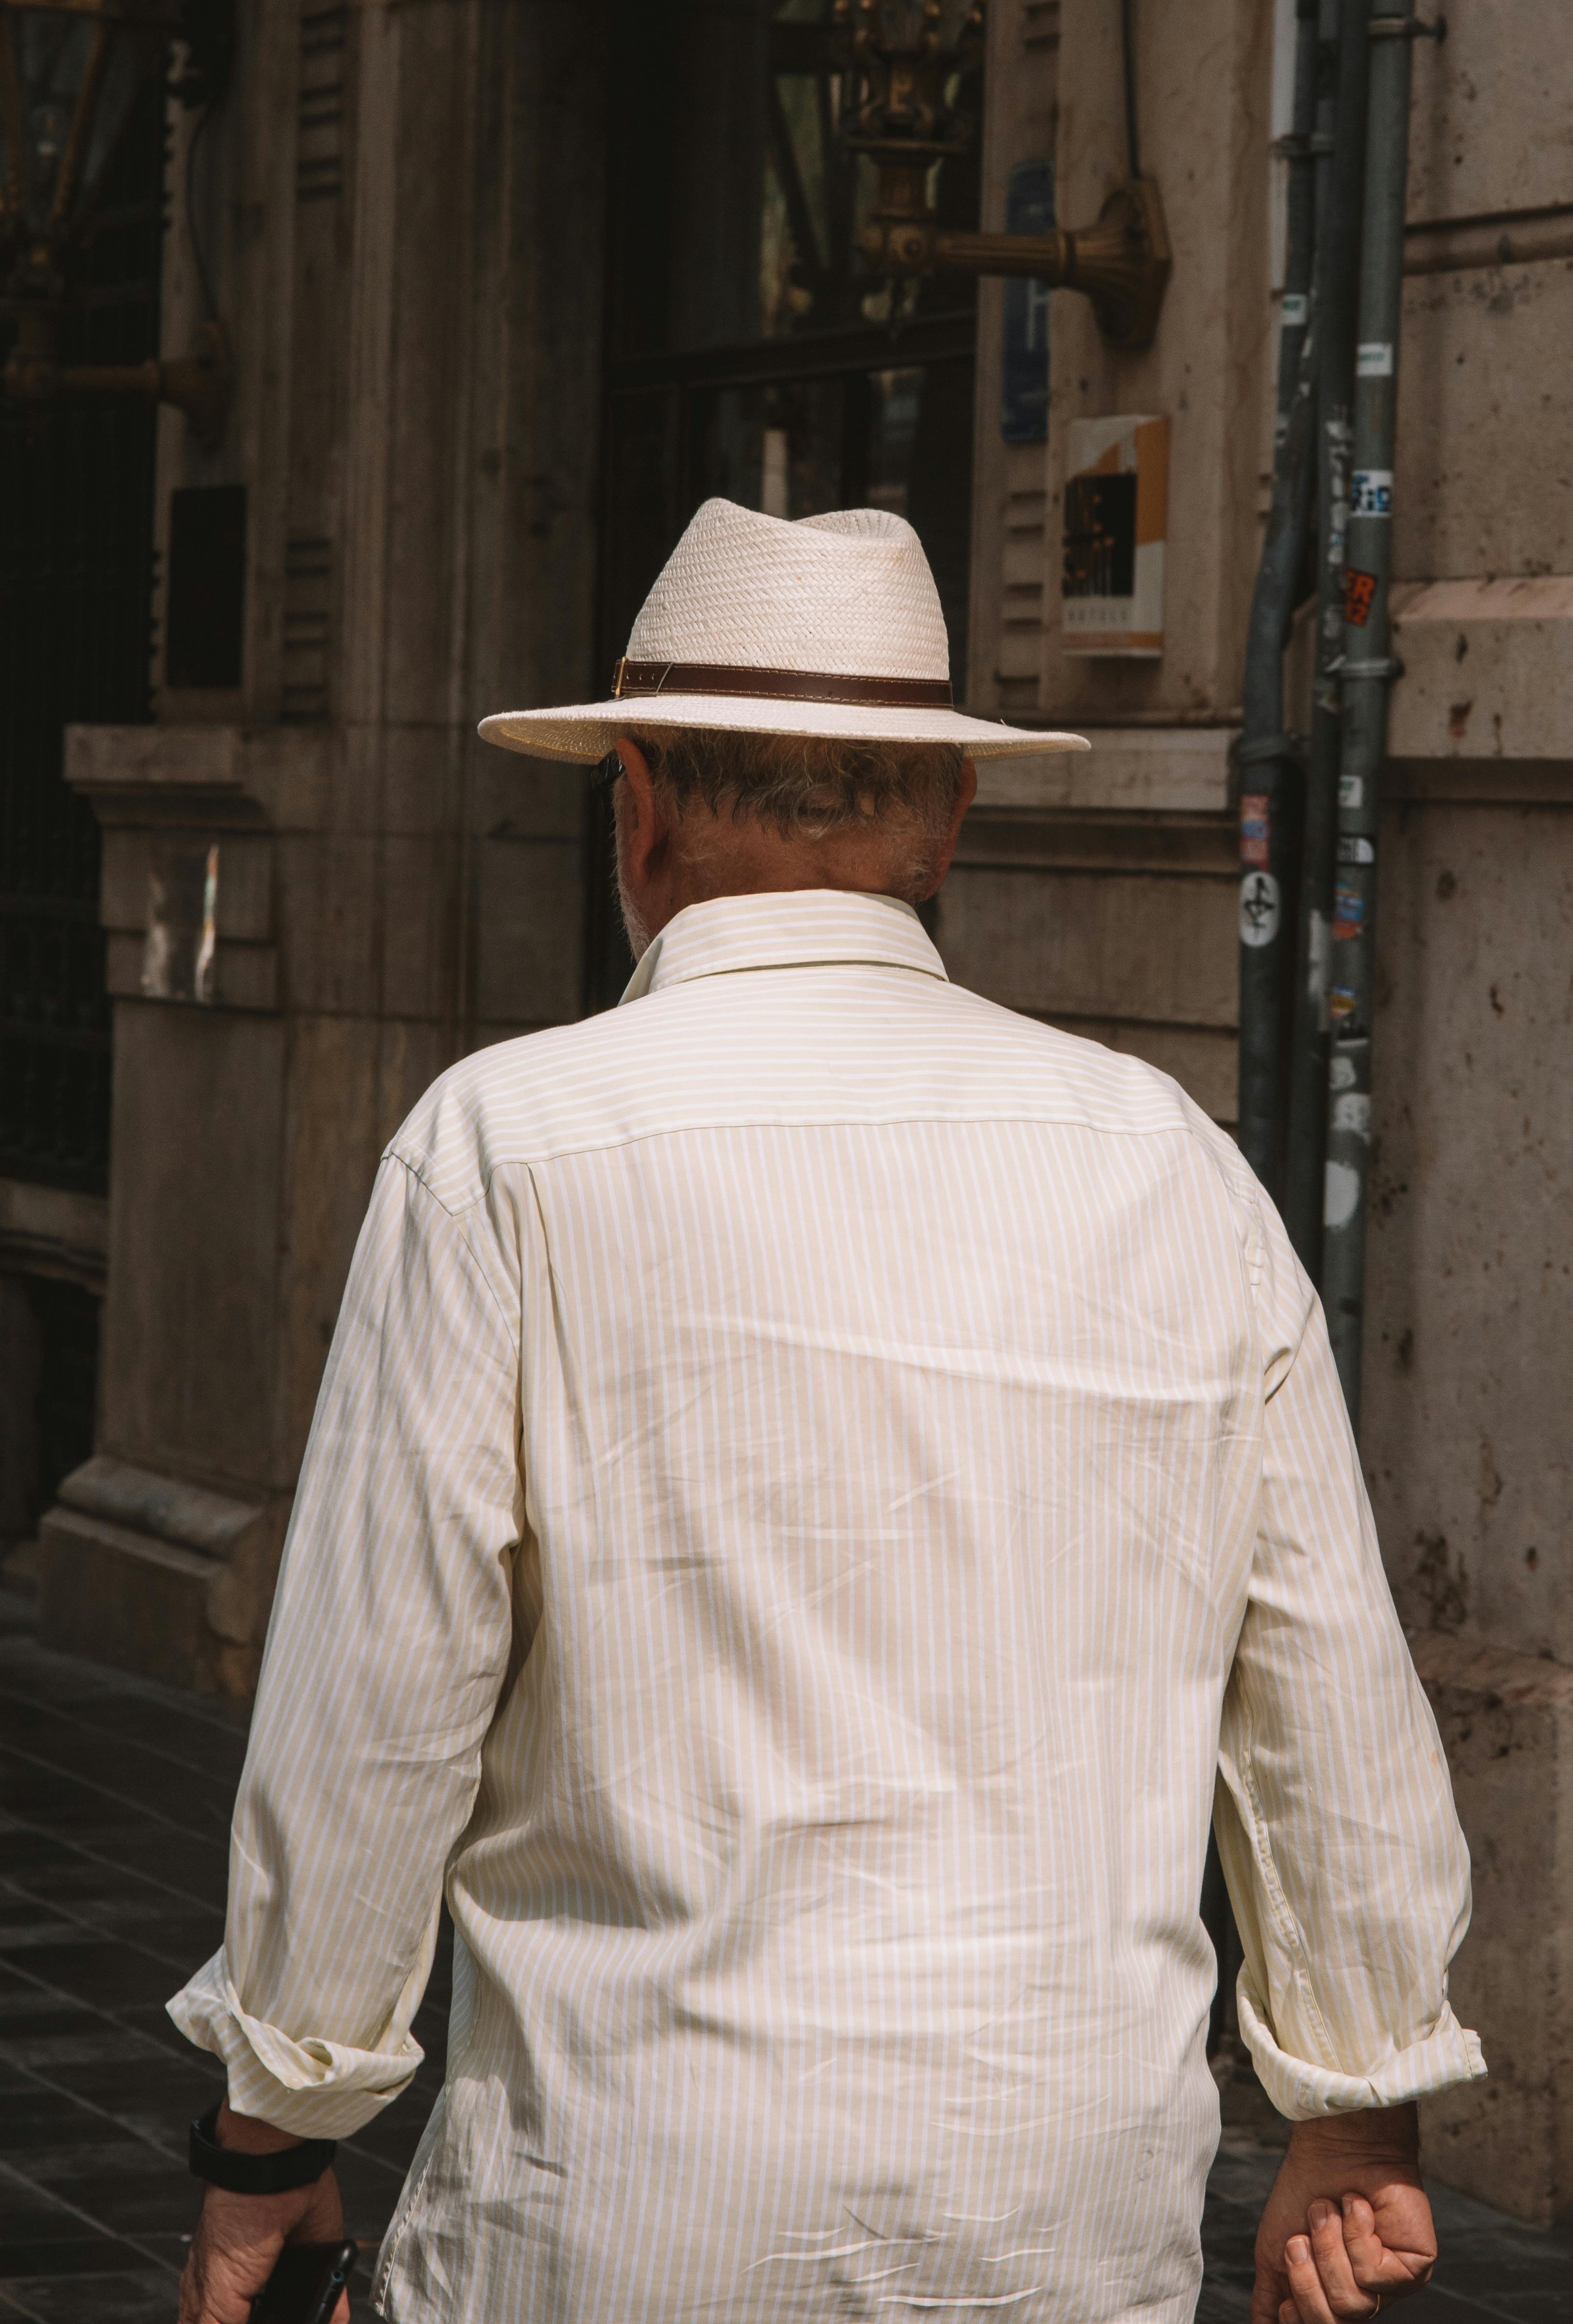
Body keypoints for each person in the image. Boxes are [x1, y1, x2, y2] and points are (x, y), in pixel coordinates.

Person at [172, 501, 1482, 2324]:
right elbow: (1325, 1680)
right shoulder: (1166, 1161)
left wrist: (275, 2128)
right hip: (1061, 2208)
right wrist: (1359, 2111)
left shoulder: (507, 1148)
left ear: (631, 803)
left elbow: (377, 1703)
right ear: (944, 820)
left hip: (624, 2204)